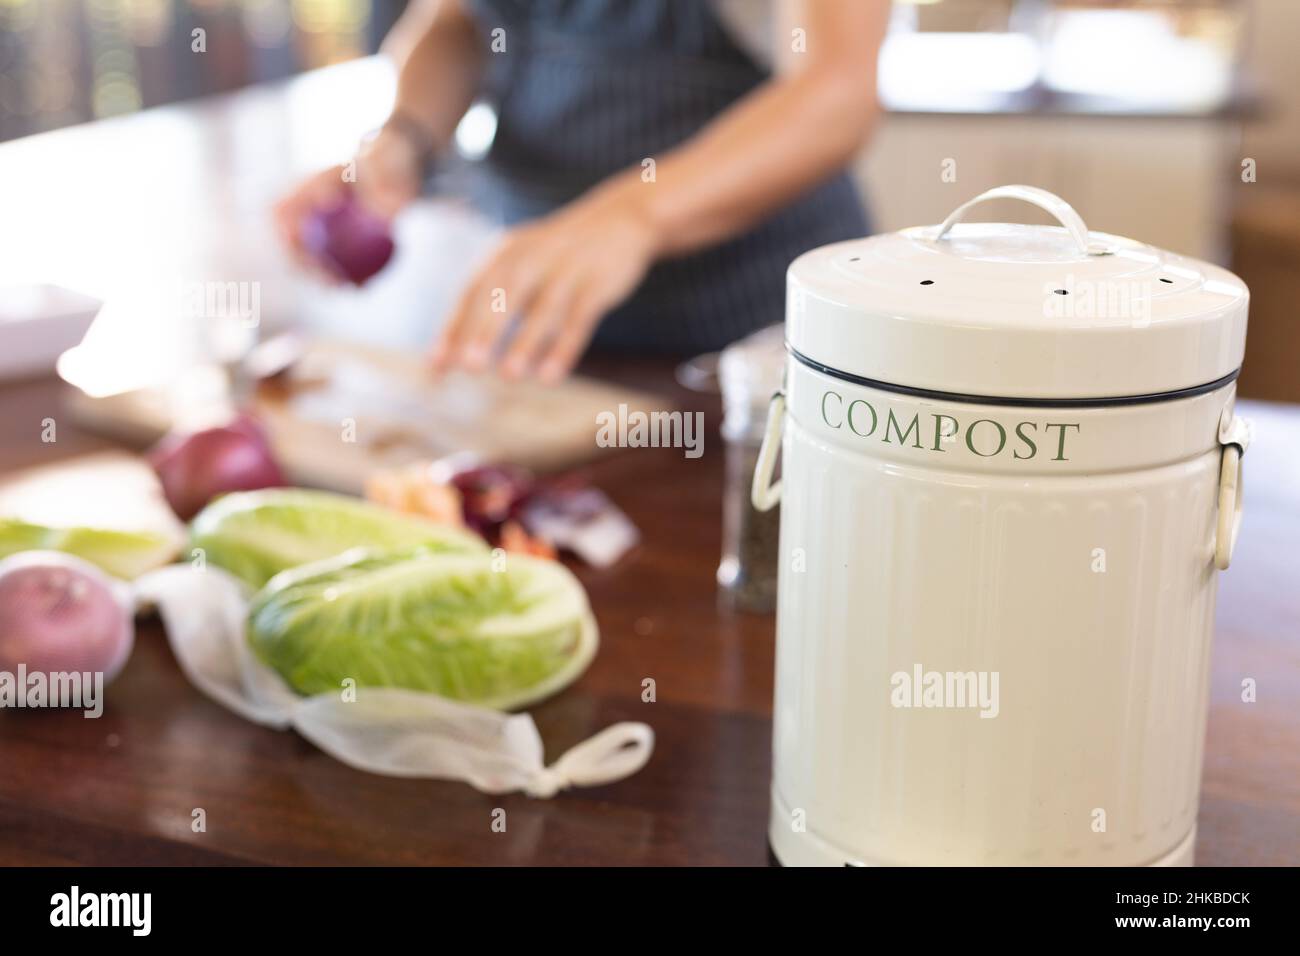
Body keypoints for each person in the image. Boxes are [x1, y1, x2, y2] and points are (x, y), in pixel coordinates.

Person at [275, 0, 888, 383]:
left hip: (753, 331)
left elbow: (836, 89)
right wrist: (404, 135)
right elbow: (457, 19)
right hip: (544, 333)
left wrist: (634, 214)